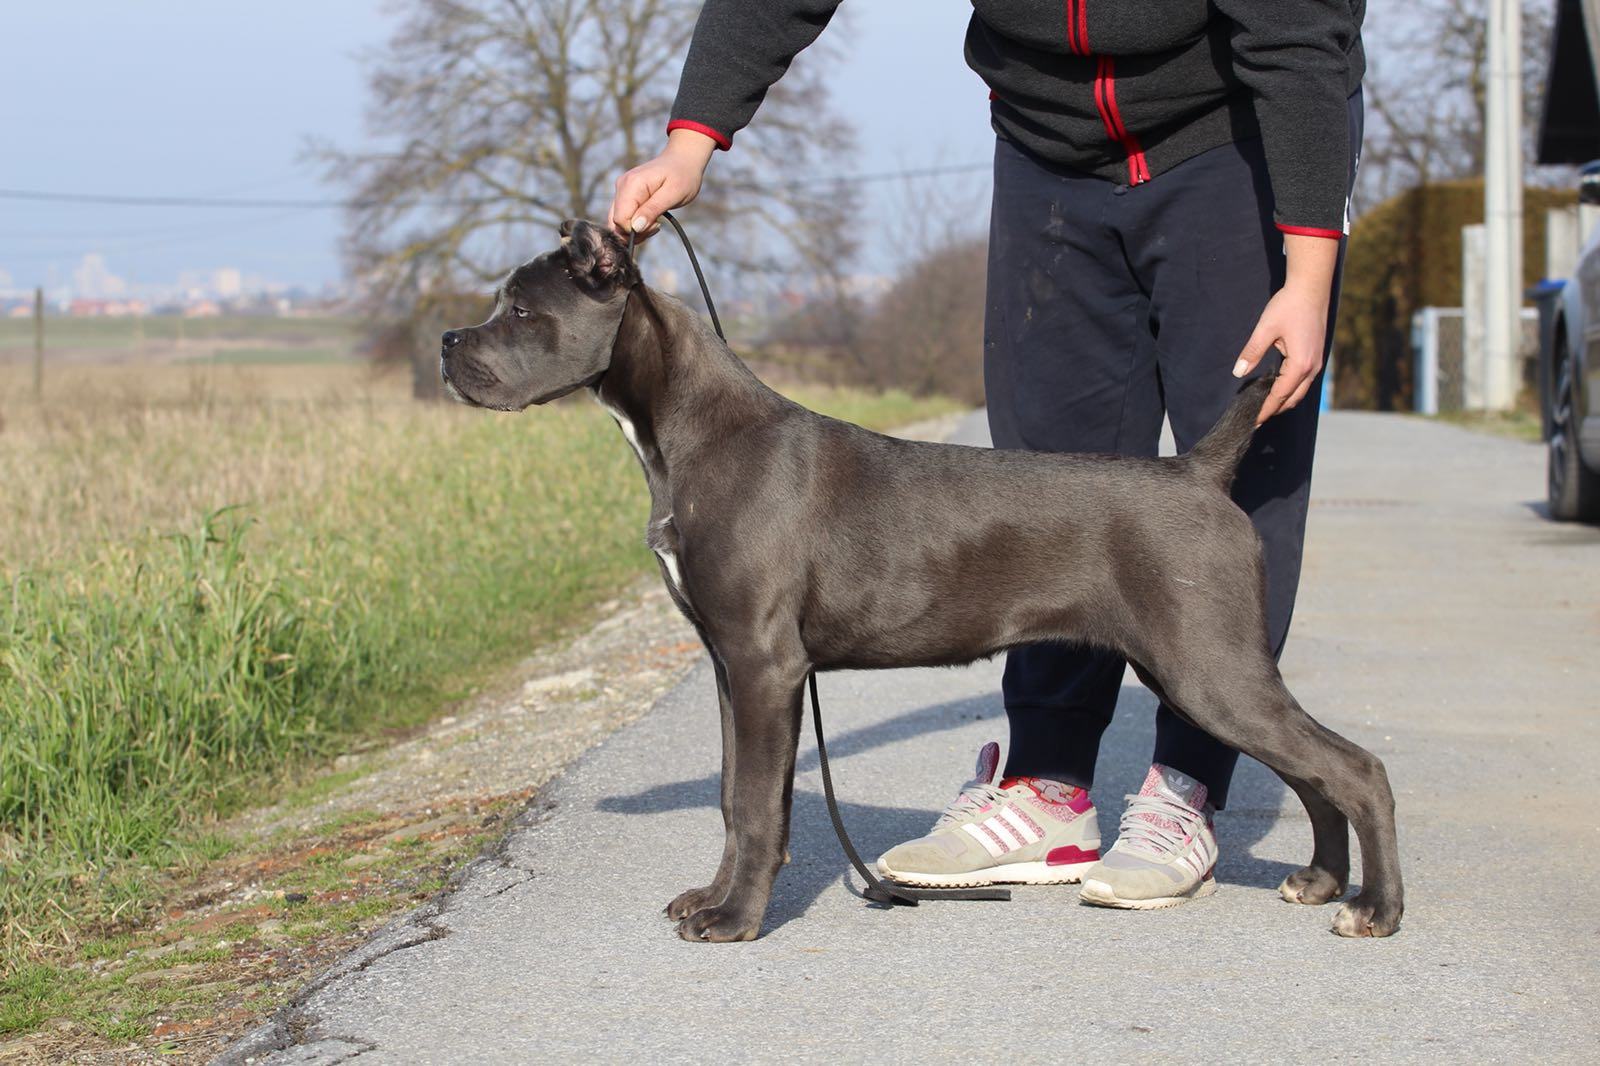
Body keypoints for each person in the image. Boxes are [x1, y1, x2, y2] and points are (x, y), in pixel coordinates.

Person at [609, 1, 1365, 911]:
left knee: (1220, 493)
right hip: (1050, 146)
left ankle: (1188, 784)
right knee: (1043, 482)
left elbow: (1294, 36)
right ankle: (1047, 781)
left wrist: (1308, 270)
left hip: (1233, 141)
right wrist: (692, 137)